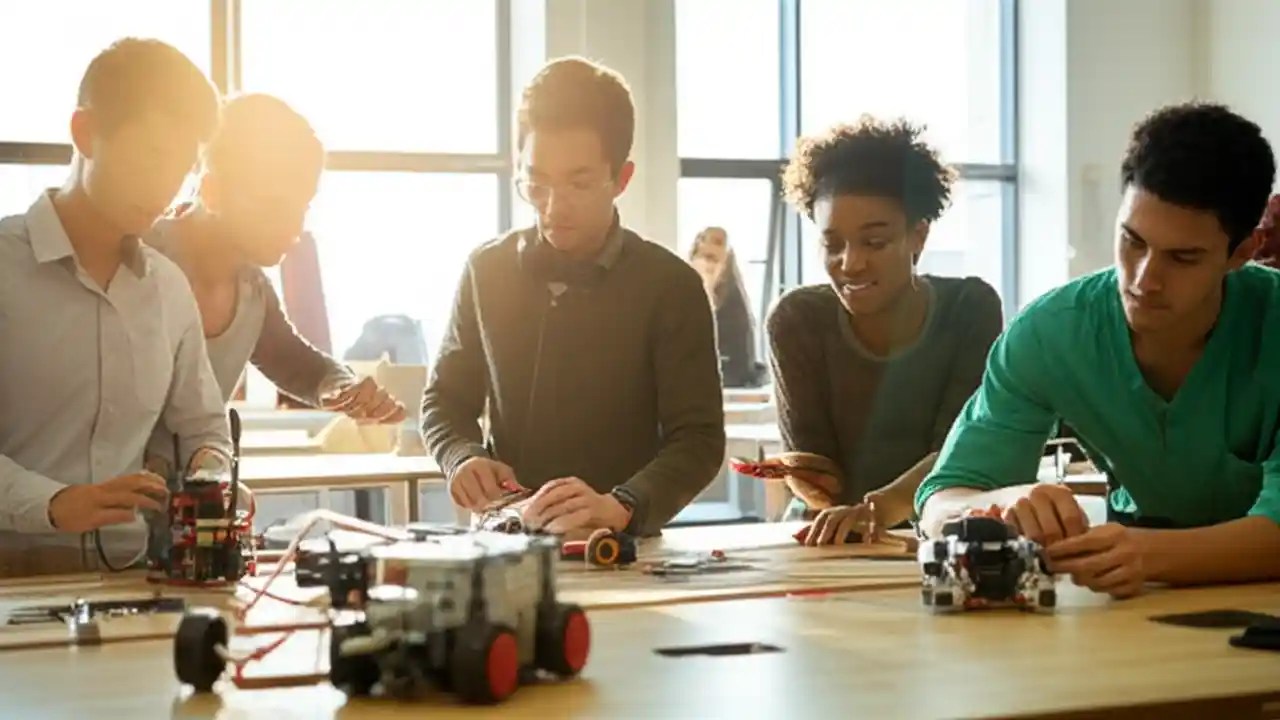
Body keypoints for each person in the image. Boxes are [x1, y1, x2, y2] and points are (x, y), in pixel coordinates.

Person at [915, 102, 1280, 598]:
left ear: (1242, 252)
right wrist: (1005, 499)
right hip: (1131, 608)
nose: (1145, 279)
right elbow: (940, 502)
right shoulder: (1051, 333)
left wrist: (1148, 553)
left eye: (1183, 257)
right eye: (1132, 241)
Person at [421, 57, 726, 537]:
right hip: (506, 537)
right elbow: (444, 402)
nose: (553, 208)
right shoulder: (486, 270)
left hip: (622, 546)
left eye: (579, 183)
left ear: (621, 179)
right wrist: (461, 456)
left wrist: (624, 505)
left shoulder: (671, 286)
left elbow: (700, 440)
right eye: (535, 184)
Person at [0, 39, 231, 574]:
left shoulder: (168, 290)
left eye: (181, 166)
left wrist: (212, 477)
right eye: (151, 155)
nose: (166, 185)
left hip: (133, 582)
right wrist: (53, 504)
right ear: (85, 133)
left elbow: (204, 429)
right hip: (9, 583)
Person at [768, 116, 1003, 546]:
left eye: (874, 243)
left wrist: (876, 510)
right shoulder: (797, 320)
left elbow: (960, 456)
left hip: (940, 537)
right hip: (830, 542)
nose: (850, 263)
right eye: (832, 243)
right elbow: (820, 477)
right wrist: (806, 478)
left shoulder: (970, 309)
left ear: (918, 235)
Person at [142, 93, 406, 451]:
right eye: (273, 206)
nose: (294, 228)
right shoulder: (138, 262)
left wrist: (344, 390)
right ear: (212, 191)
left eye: (302, 207)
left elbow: (300, 365)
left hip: (181, 499)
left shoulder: (253, 293)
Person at [688, 227, 766, 388]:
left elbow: (738, 365)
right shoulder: (675, 293)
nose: (706, 266)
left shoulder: (735, 309)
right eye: (703, 258)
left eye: (713, 260)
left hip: (727, 382)